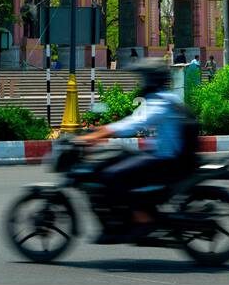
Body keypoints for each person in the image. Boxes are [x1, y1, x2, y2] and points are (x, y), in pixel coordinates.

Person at [78, 60, 199, 241]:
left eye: (144, 78)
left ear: (151, 80)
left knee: (113, 174)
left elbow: (136, 123)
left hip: (166, 160)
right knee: (121, 157)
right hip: (165, 156)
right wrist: (100, 131)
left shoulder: (160, 102)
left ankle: (143, 219)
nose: (142, 83)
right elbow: (134, 120)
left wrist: (101, 134)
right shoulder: (167, 98)